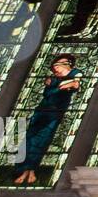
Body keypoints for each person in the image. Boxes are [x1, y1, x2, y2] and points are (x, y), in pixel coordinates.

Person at [11, 54, 82, 185]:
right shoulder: (52, 79)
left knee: (42, 140)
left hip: (54, 113)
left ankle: (31, 170)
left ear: (68, 64)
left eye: (58, 65)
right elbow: (52, 89)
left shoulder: (74, 74)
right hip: (41, 111)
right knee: (29, 139)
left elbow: (75, 84)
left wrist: (68, 83)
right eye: (54, 66)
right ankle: (22, 170)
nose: (56, 68)